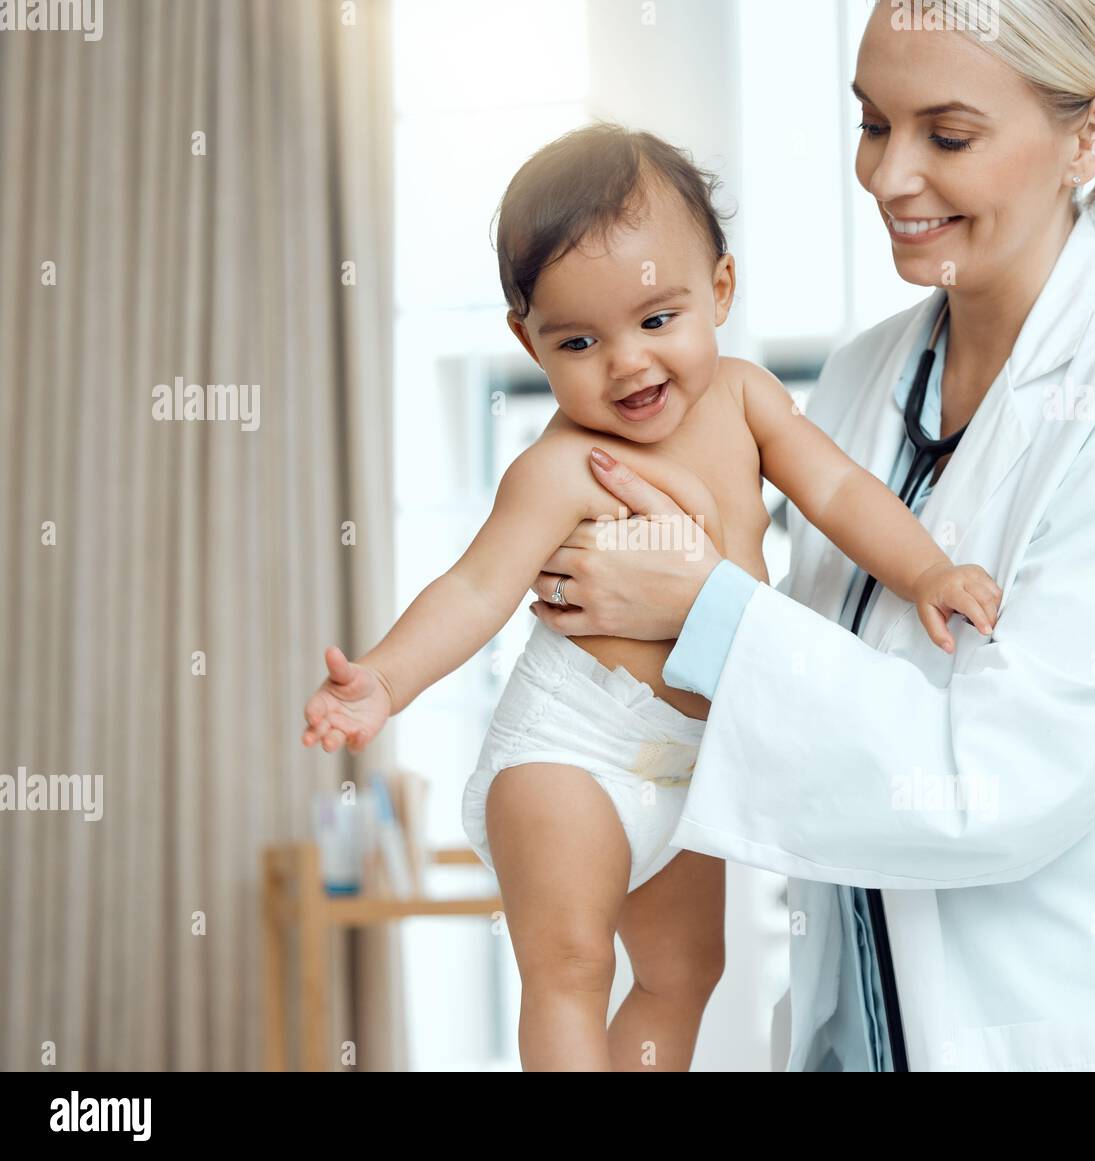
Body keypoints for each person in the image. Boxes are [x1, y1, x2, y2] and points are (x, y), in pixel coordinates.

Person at [526, 0, 1095, 1070]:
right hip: (867, 1034)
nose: (887, 177)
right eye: (873, 124)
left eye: (948, 135)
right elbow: (810, 719)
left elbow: (994, 787)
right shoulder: (857, 378)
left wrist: (702, 610)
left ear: (1087, 137)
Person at [299, 123, 1001, 1070]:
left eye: (656, 320)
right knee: (571, 967)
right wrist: (384, 679)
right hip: (568, 753)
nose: (627, 363)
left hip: (693, 759)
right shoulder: (558, 467)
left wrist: (927, 568)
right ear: (528, 340)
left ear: (719, 289)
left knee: (685, 974)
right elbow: (473, 590)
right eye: (580, 341)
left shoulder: (748, 400)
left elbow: (836, 492)